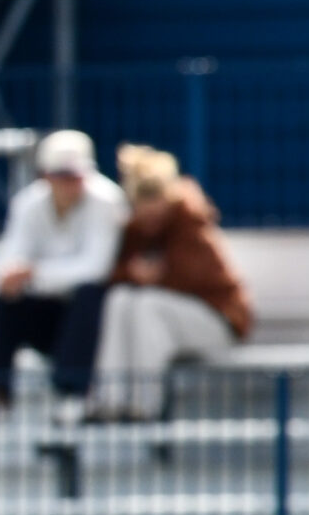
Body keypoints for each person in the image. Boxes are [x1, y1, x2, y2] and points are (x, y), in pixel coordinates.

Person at [0, 129, 126, 424]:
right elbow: (11, 258)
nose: (71, 184)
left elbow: (96, 269)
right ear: (46, 176)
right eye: (63, 176)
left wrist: (34, 273)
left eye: (76, 176)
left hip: (90, 323)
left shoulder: (107, 201)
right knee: (7, 298)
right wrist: (13, 276)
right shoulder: (28, 204)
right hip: (47, 318)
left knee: (89, 294)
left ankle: (73, 393)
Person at [87, 149, 254, 423]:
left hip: (218, 319)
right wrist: (133, 274)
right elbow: (112, 275)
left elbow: (195, 277)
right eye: (144, 200)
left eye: (156, 198)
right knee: (120, 298)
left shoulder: (190, 220)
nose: (151, 210)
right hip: (168, 321)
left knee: (147, 305)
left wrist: (156, 278)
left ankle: (144, 407)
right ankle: (109, 401)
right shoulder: (135, 229)